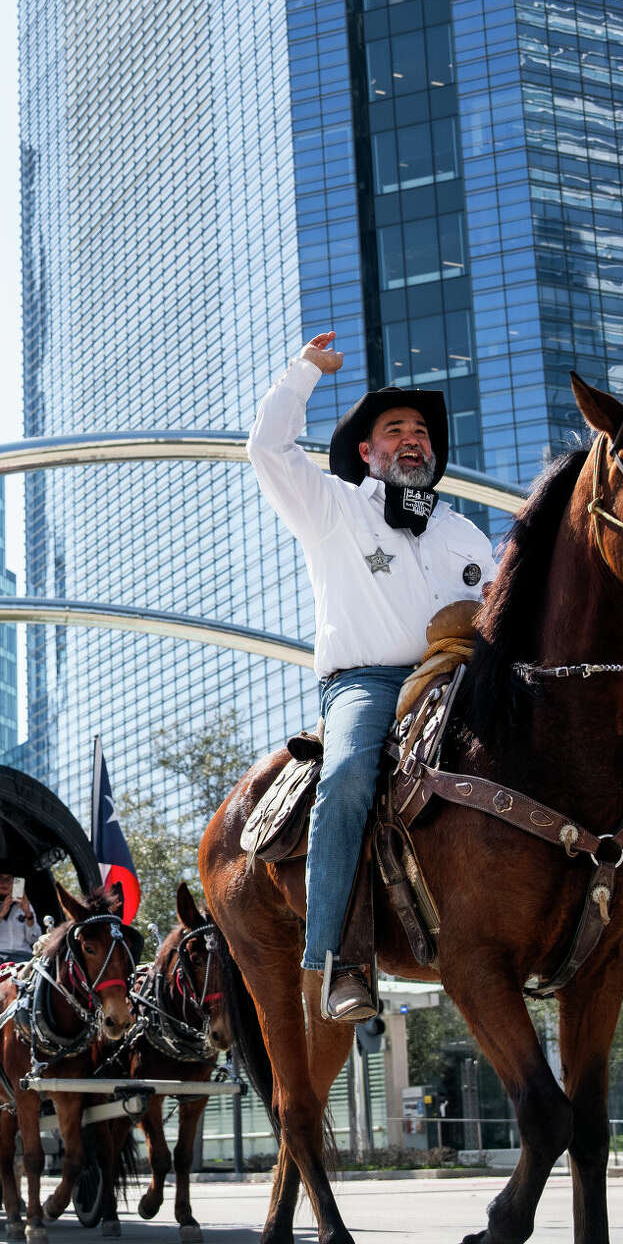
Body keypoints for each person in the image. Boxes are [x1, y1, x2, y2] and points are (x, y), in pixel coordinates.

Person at [247, 331, 497, 1020]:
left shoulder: (465, 533)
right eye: (395, 430)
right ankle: (335, 961)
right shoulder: (331, 506)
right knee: (351, 772)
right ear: (367, 451)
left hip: (460, 682)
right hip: (368, 684)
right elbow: (266, 449)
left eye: (421, 431)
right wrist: (304, 372)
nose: (412, 439)